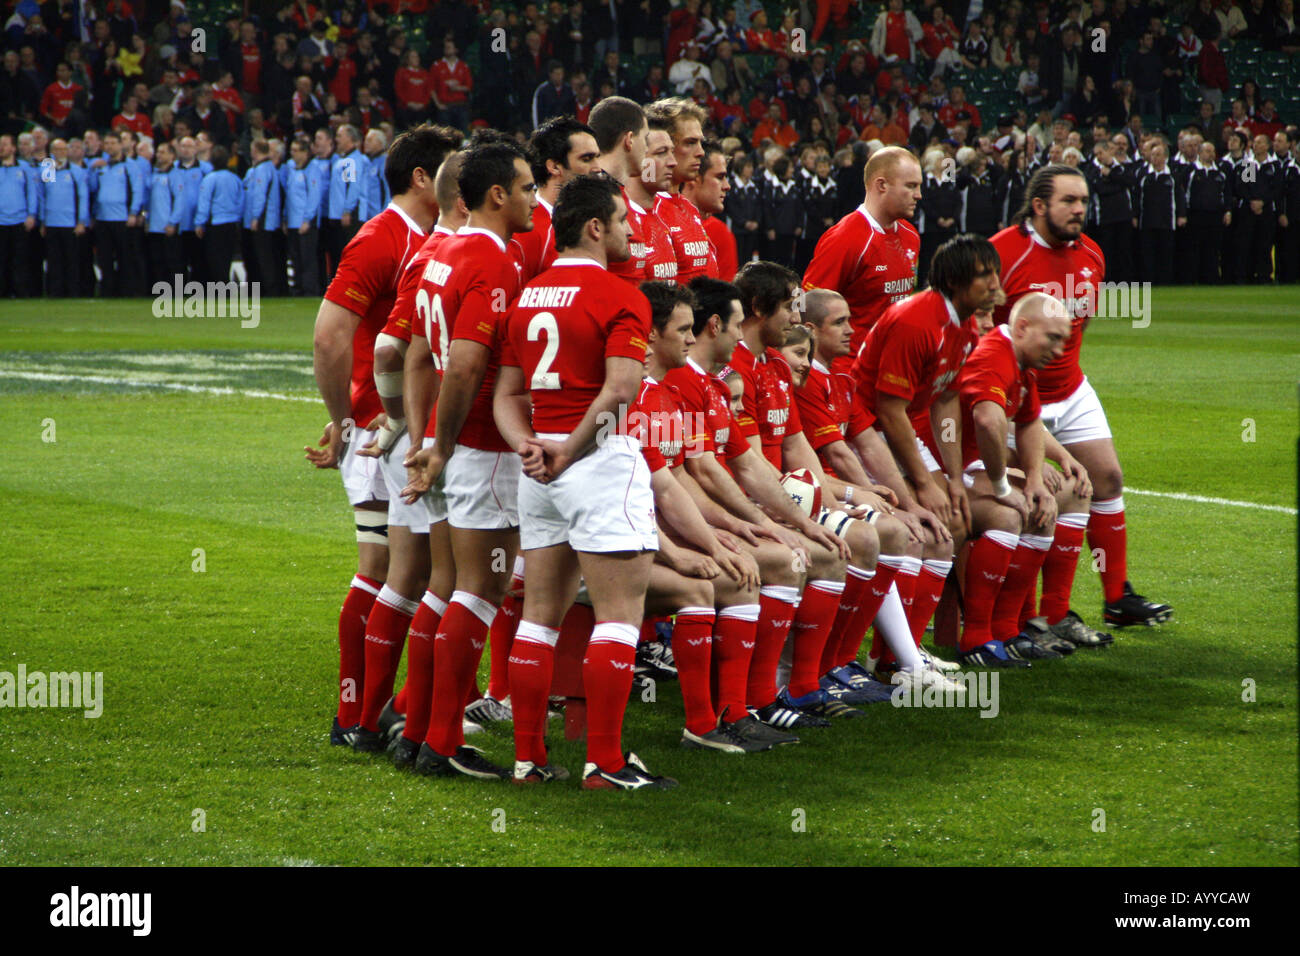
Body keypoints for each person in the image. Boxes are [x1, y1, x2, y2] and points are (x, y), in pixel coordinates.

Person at [490, 172, 672, 788]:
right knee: (619, 617)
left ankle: (527, 759)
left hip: (539, 466)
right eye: (622, 221)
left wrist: (531, 448)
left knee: (538, 617)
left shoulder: (528, 295)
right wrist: (568, 451)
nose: (628, 231)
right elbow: (621, 390)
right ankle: (605, 763)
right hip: (594, 461)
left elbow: (506, 395)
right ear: (596, 227)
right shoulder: (623, 295)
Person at [307, 125, 461, 748]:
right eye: (453, 166)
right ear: (424, 177)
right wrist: (345, 417)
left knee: (412, 573)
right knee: (389, 570)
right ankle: (359, 715)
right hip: (383, 432)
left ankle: (379, 710)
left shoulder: (428, 239)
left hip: (403, 425)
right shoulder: (381, 239)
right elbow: (329, 335)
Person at [400, 141, 536, 780]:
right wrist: (447, 446)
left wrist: (426, 439)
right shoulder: (492, 257)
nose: (536, 198)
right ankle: (443, 742)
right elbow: (465, 363)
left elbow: (418, 354)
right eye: (528, 187)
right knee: (480, 589)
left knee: (445, 586)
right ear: (497, 195)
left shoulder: (443, 250)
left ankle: (421, 728)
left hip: (445, 439)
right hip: (476, 443)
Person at [991, 163, 1173, 632]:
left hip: (1071, 388)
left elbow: (1078, 326)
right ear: (1038, 206)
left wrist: (1063, 369)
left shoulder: (1092, 254)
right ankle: (1032, 617)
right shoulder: (1002, 253)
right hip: (1014, 397)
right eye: (1069, 202)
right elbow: (980, 328)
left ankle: (1116, 600)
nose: (1079, 211)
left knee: (1107, 478)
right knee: (1042, 496)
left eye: (1084, 202)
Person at [802, 145, 921, 364]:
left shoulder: (911, 235)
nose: (918, 195)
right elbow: (807, 307)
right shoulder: (845, 238)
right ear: (882, 185)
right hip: (850, 370)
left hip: (892, 366)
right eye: (911, 186)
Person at [514, 116, 600, 282]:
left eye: (597, 157)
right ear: (554, 167)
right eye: (587, 159)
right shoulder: (530, 229)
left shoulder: (596, 221)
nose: (597, 168)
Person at [88, 130, 145, 295]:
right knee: (104, 258)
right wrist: (92, 171)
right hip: (103, 218)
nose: (110, 146)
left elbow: (137, 190)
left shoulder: (130, 166)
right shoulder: (101, 165)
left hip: (122, 218)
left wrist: (134, 213)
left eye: (113, 143)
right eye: (107, 143)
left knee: (125, 257)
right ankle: (107, 290)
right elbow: (92, 189)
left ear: (120, 145)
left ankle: (127, 290)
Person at [194, 145, 242, 284]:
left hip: (216, 224)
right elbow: (240, 201)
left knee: (215, 259)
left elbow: (204, 202)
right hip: (232, 223)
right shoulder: (235, 178)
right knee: (227, 258)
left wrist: (199, 223)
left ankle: (220, 289)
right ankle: (226, 287)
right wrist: (236, 217)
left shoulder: (210, 179)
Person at [242, 139, 284, 295]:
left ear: (255, 150)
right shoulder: (264, 168)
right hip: (262, 220)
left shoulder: (262, 169)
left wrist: (255, 217)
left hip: (262, 221)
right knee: (261, 256)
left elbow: (260, 195)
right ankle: (263, 288)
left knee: (263, 256)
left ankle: (269, 290)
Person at [283, 135, 323, 296]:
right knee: (296, 257)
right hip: (292, 221)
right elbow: (288, 196)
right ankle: (298, 289)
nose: (292, 153)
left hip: (305, 222)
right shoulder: (291, 169)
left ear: (305, 152)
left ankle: (310, 290)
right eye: (291, 150)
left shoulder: (312, 169)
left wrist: (308, 219)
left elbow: (314, 196)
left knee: (307, 258)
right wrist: (285, 218)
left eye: (295, 150)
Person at [0, 133, 38, 297]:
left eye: (5, 144)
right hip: (1, 220)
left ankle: (20, 292)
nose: (1, 147)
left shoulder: (24, 168)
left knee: (20, 260)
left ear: (13, 148)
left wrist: (31, 215)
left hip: (19, 220)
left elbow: (32, 193)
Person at [144, 139, 183, 287]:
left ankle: (175, 290)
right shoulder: (154, 174)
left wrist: (173, 222)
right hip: (154, 225)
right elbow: (147, 199)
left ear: (172, 156)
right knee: (157, 260)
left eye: (163, 152)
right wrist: (145, 218)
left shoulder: (175, 175)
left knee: (172, 260)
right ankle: (160, 289)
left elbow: (179, 200)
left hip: (167, 225)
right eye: (158, 152)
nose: (159, 155)